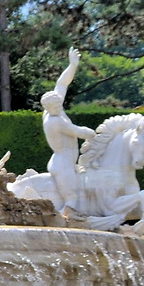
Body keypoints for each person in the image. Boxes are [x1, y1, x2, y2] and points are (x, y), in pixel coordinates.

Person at [39, 48, 96, 216]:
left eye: (59, 105)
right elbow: (77, 131)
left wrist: (72, 65)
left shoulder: (55, 108)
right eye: (55, 107)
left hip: (67, 161)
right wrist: (92, 133)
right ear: (47, 108)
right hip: (62, 164)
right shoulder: (54, 121)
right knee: (72, 199)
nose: (58, 108)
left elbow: (61, 84)